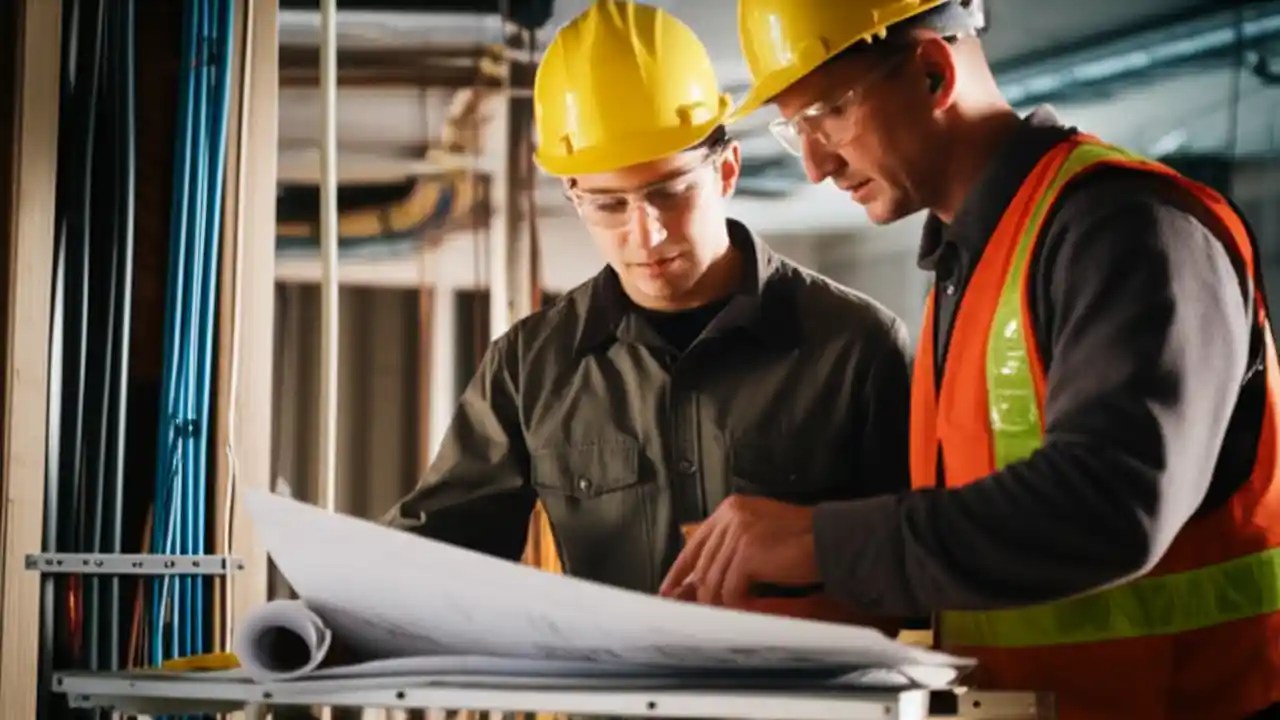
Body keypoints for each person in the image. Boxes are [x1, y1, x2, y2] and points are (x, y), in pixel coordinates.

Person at [660, 1, 1280, 718]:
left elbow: (1114, 506)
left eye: (829, 114)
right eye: (795, 128)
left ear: (932, 71)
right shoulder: (971, 267)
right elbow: (976, 551)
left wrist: (820, 543)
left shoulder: (1124, 228)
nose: (815, 163)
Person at [381, 0, 911, 626]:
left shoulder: (857, 346)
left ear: (728, 171)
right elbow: (439, 549)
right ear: (574, 199)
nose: (648, 234)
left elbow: (917, 568)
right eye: (609, 205)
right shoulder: (531, 366)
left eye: (671, 191)